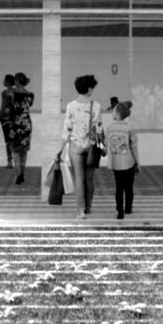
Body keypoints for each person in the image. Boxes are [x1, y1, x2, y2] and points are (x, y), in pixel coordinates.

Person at [61, 74, 100, 218]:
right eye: (93, 87)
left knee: (78, 177)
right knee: (89, 178)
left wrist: (60, 148)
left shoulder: (71, 106)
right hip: (90, 146)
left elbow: (67, 129)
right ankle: (88, 207)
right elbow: (99, 130)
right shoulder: (96, 106)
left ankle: (80, 210)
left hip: (75, 146)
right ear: (89, 88)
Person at [105, 100, 139, 220]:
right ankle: (128, 208)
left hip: (116, 163)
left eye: (113, 110)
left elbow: (106, 145)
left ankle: (120, 212)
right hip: (129, 162)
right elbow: (134, 148)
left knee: (119, 187)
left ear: (117, 114)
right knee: (129, 187)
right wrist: (138, 163)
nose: (112, 112)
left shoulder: (109, 128)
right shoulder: (130, 128)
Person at [8, 72, 35, 185]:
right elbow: (29, 106)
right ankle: (22, 174)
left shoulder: (12, 93)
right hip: (26, 123)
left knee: (15, 151)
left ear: (17, 81)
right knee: (24, 151)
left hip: (15, 123)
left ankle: (18, 175)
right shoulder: (30, 95)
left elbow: (8, 107)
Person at [0, 73, 17, 168]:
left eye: (4, 80)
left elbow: (3, 106)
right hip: (15, 119)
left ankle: (9, 162)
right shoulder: (17, 91)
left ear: (8, 82)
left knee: (8, 141)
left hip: (6, 119)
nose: (3, 81)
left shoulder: (5, 93)